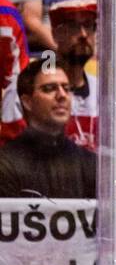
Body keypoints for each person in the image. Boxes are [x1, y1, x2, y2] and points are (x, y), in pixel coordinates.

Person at [0, 0, 96, 146]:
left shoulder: (104, 92)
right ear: (55, 34)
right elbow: (12, 157)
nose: (83, 34)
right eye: (73, 26)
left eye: (89, 26)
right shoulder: (22, 90)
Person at [0, 59, 94, 197]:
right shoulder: (6, 163)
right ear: (27, 102)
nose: (62, 95)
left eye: (66, 89)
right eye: (49, 89)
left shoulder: (90, 163)